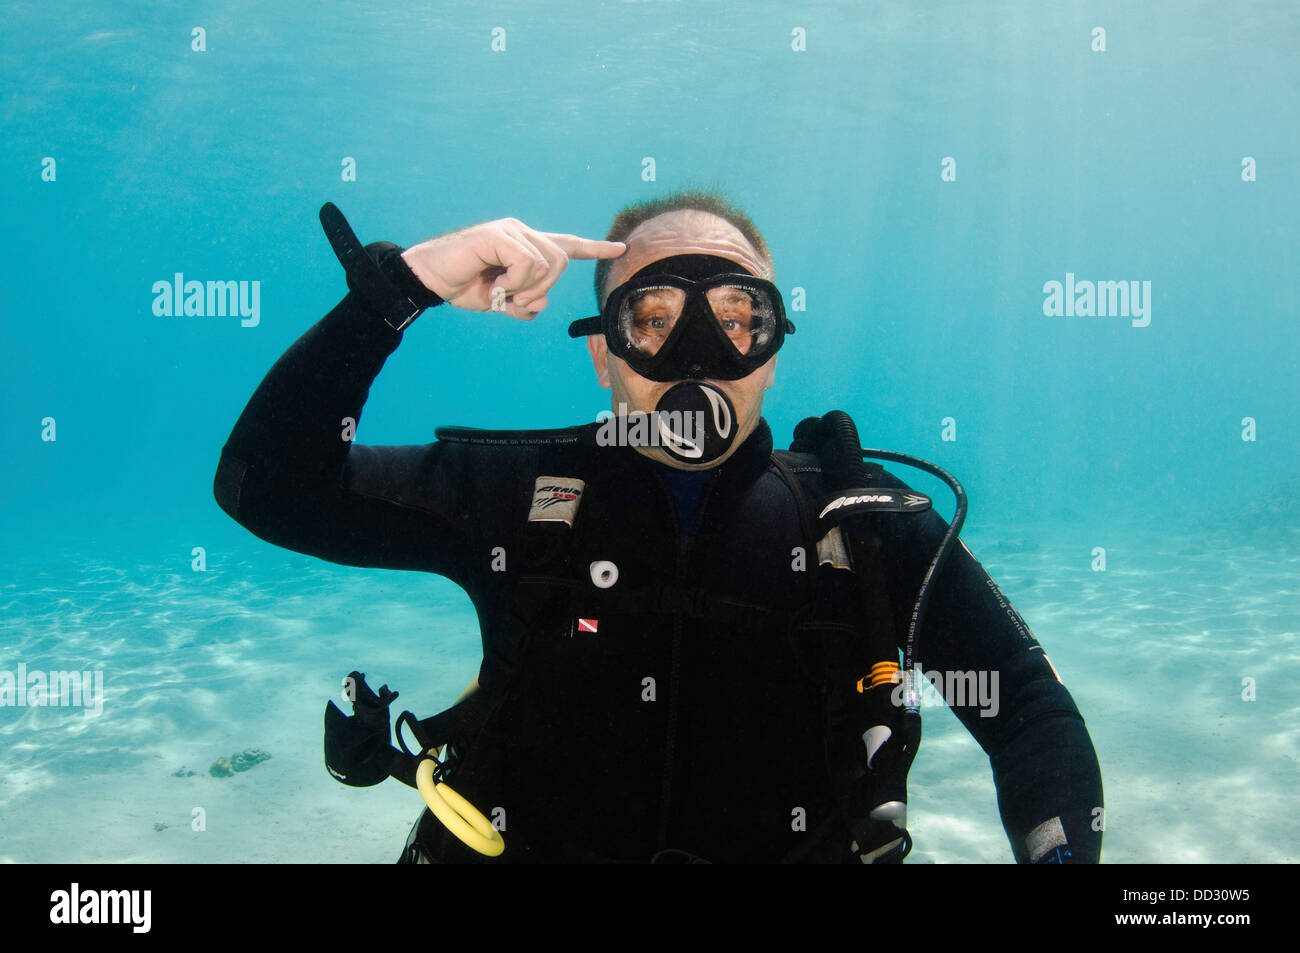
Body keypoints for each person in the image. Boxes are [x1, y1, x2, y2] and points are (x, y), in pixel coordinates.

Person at [213, 191, 1103, 863]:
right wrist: (396, 293)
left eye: (735, 319)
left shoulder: (861, 526)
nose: (699, 359)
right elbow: (266, 488)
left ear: (772, 346)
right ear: (605, 349)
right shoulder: (510, 495)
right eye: (653, 319)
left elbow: (1024, 708)